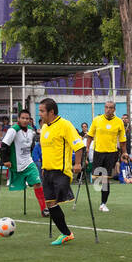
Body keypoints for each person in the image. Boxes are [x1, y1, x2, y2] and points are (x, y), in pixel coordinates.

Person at [38, 98, 86, 246]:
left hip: (61, 171)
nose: (39, 114)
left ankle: (66, 233)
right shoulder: (45, 127)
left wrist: (77, 163)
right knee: (50, 203)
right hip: (47, 171)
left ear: (51, 112)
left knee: (55, 202)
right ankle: (66, 234)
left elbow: (78, 146)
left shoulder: (65, 125)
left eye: (42, 111)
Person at [3, 109, 48, 215]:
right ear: (18, 119)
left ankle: (43, 209)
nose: (25, 120)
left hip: (29, 162)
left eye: (27, 118)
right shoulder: (13, 130)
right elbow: (4, 145)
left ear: (30, 120)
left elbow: (31, 145)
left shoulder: (31, 130)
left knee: (38, 183)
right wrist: (6, 160)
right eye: (23, 118)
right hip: (16, 164)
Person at [88, 99, 127, 213]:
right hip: (98, 152)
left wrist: (124, 152)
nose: (108, 110)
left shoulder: (119, 122)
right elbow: (90, 135)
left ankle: (103, 203)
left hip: (111, 153)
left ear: (114, 109)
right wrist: (87, 147)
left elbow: (123, 140)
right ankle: (101, 191)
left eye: (110, 108)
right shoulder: (97, 120)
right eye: (106, 107)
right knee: (97, 178)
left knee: (105, 179)